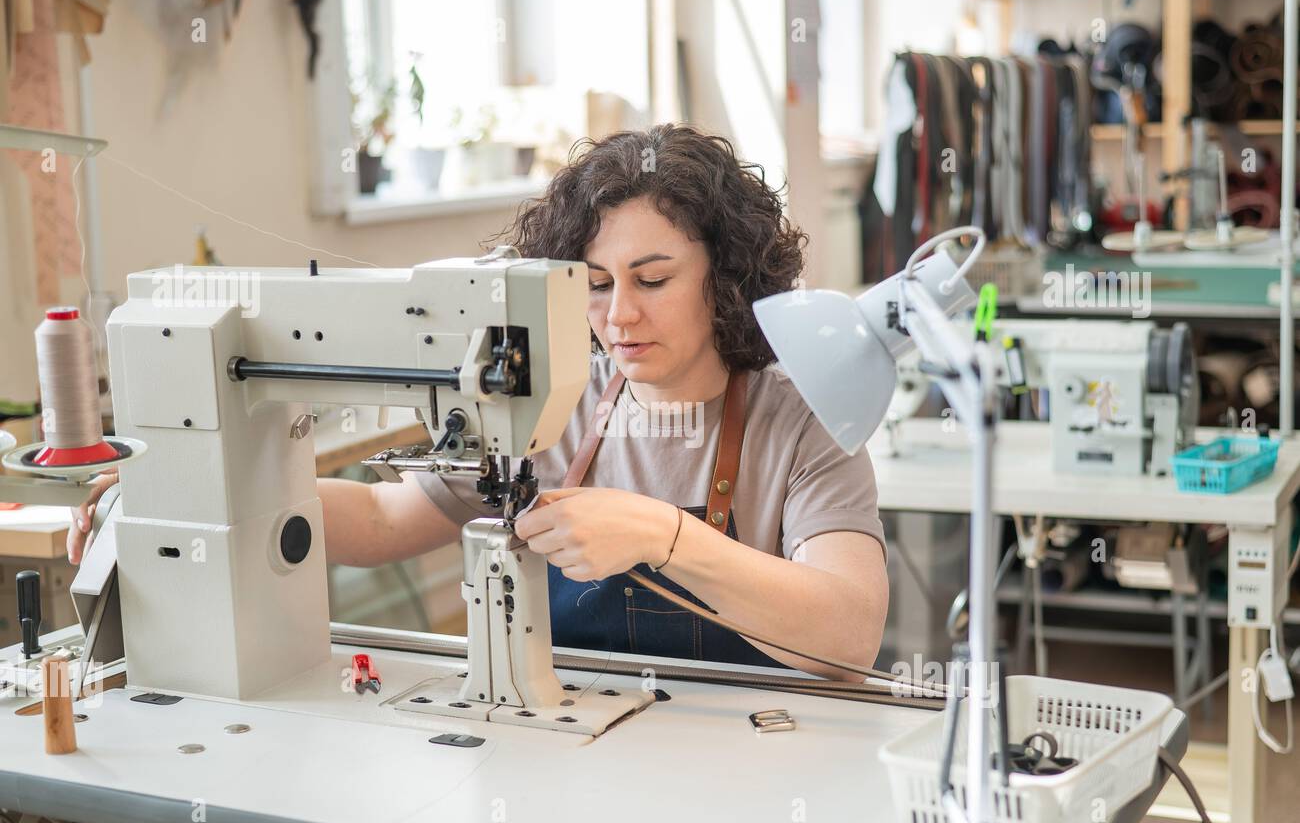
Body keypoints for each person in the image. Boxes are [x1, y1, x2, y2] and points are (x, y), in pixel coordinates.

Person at [68, 124, 889, 680]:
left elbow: (847, 636)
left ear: (729, 275)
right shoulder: (558, 398)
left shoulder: (799, 415)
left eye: (653, 280)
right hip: (587, 758)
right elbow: (390, 522)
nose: (618, 316)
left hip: (756, 761)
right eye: (595, 286)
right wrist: (186, 497)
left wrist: (663, 535)